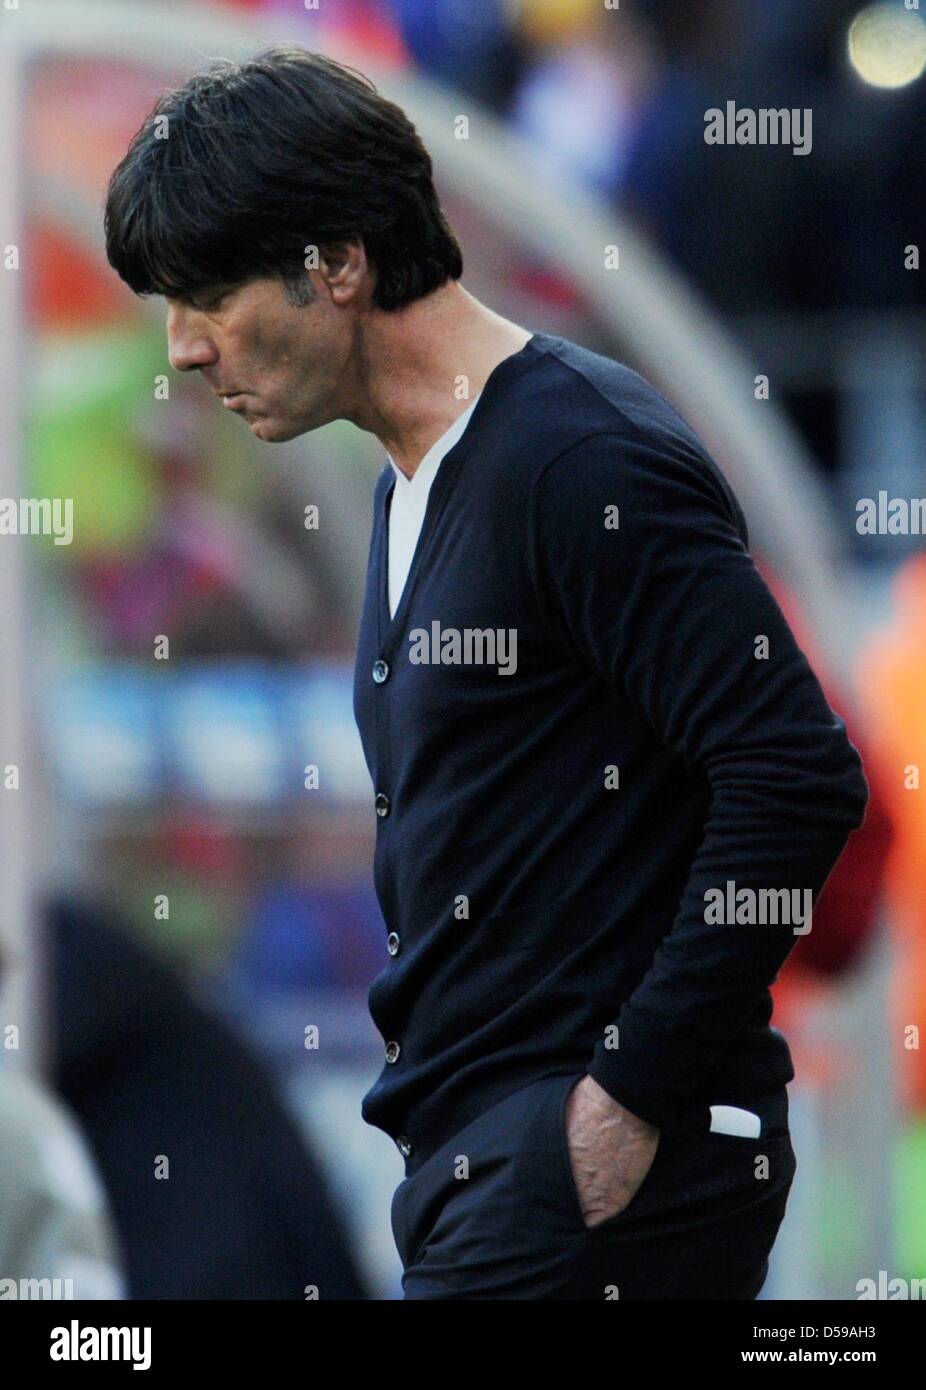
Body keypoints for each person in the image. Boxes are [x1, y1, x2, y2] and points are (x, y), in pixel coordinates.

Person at [103, 46, 870, 1299]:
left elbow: (794, 773)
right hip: (495, 1166)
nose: (184, 350)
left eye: (203, 294)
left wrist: (626, 1095)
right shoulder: (416, 479)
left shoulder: (575, 460)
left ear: (336, 262)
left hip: (594, 1173)